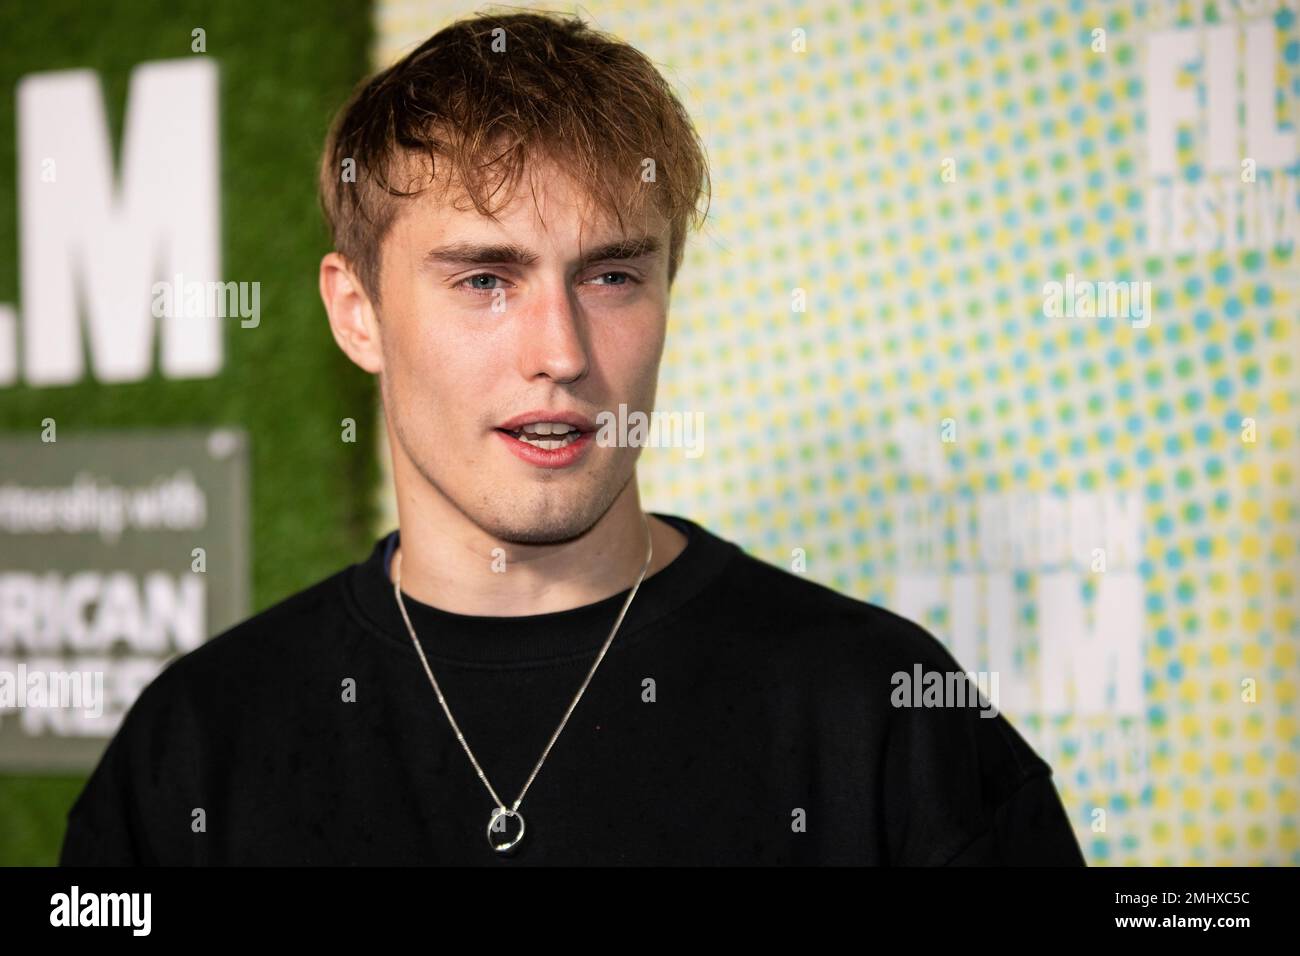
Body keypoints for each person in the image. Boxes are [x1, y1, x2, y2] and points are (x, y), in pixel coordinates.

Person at [60, 8, 1085, 866]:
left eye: (610, 275)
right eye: (484, 280)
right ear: (357, 312)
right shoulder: (198, 745)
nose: (559, 350)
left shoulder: (885, 715)